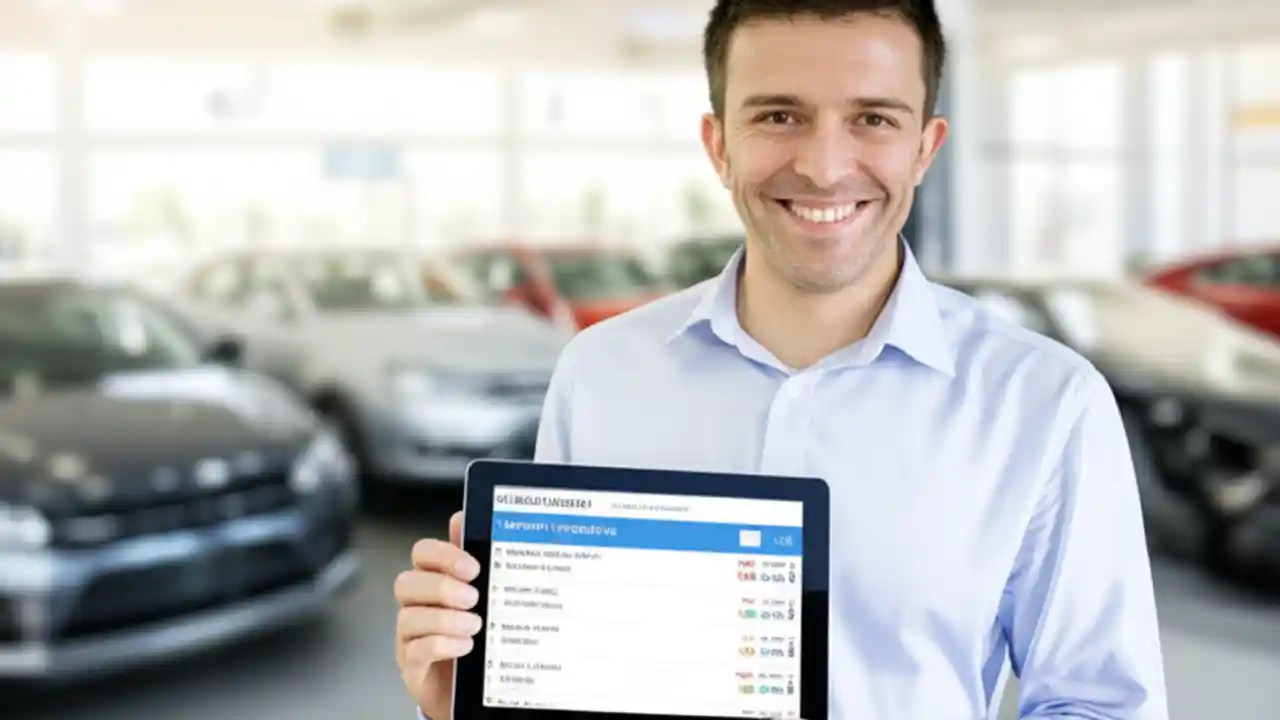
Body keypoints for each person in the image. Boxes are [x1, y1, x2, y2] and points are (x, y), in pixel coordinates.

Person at [393, 0, 1170, 718]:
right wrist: (468, 700)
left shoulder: (1044, 403)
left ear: (925, 147)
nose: (825, 166)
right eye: (778, 116)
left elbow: (1102, 704)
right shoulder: (599, 374)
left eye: (872, 118)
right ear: (717, 143)